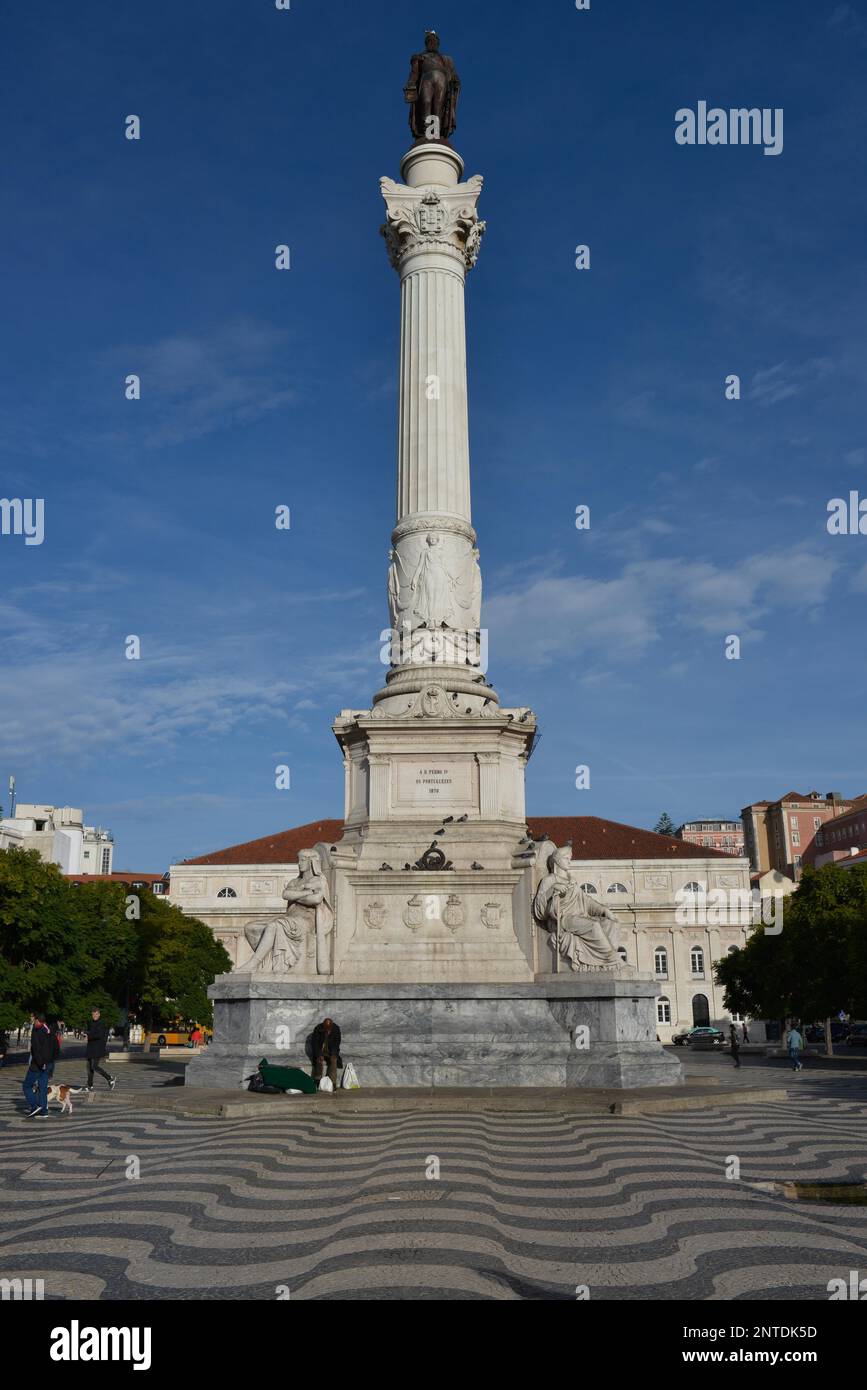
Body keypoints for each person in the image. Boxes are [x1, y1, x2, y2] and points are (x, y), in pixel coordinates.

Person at [22, 1013, 55, 1116]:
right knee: (42, 1088)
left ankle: (34, 1106)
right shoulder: (49, 1031)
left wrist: (41, 1063)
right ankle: (44, 1111)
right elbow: (55, 1048)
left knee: (27, 1085)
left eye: (37, 1021)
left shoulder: (37, 1031)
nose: (36, 1023)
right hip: (47, 1064)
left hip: (38, 1065)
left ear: (38, 1020)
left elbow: (36, 1049)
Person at [85, 1007, 116, 1091]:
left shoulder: (101, 1024)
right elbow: (89, 1031)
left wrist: (88, 1034)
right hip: (91, 1048)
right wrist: (87, 1033)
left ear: (99, 1014)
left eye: (96, 1014)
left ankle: (110, 1078)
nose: (94, 1016)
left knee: (94, 1066)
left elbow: (99, 1035)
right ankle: (89, 1085)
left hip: (98, 1048)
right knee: (89, 1067)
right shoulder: (91, 1023)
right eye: (93, 1014)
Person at [311, 1017, 341, 1089]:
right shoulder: (318, 1029)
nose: (328, 1031)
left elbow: (337, 1043)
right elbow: (315, 1044)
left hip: (331, 1051)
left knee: (333, 1061)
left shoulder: (336, 1029)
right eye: (326, 1029)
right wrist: (319, 1054)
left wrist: (334, 1054)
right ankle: (317, 1081)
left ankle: (332, 1083)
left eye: (329, 1029)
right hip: (321, 1051)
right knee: (319, 1060)